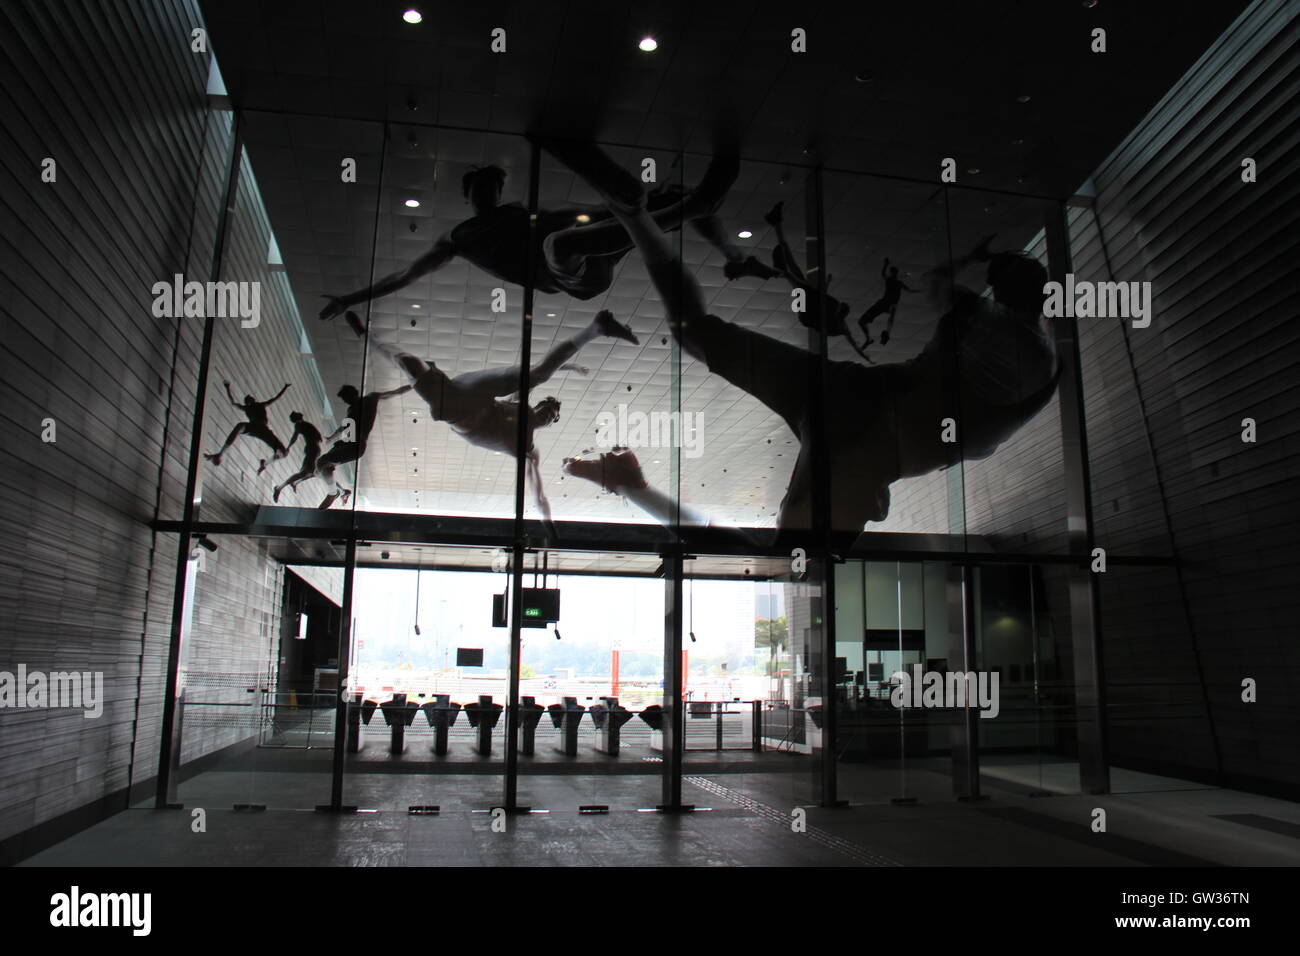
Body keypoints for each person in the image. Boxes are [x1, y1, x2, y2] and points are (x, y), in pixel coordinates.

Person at [547, 142, 1060, 549]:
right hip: (867, 419)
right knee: (694, 333)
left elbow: (935, 284)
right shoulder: (1027, 366)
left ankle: (635, 217)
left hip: (851, 400)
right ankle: (635, 216)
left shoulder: (985, 325)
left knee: (693, 330)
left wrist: (970, 260)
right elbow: (983, 426)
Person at [317, 151, 744, 321]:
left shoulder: (516, 211)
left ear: (500, 192)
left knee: (650, 211)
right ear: (470, 196)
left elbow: (568, 214)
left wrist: (614, 207)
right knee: (558, 244)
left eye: (494, 189)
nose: (491, 194)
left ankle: (722, 240)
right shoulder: (458, 237)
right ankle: (686, 207)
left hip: (592, 252)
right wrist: (350, 300)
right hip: (569, 276)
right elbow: (404, 277)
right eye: (482, 190)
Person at [340, 307, 638, 534]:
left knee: (410, 365)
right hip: (467, 395)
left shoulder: (528, 450)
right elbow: (535, 375)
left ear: (551, 424)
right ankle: (365, 335)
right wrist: (565, 367)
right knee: (408, 361)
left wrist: (549, 527)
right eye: (548, 407)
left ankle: (598, 328)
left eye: (553, 415)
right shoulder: (521, 405)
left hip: (456, 411)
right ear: (539, 405)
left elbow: (538, 494)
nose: (549, 413)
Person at [315, 381, 413, 509]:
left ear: (353, 394)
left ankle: (334, 493)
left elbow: (393, 393)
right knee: (318, 470)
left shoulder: (370, 399)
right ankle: (341, 491)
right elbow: (344, 427)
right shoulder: (351, 408)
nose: (346, 402)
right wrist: (332, 438)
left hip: (355, 445)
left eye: (346, 399)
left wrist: (415, 383)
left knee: (322, 462)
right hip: (347, 443)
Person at [763, 201, 853, 338]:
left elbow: (820, 299)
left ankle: (780, 270)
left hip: (807, 313)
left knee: (796, 279)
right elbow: (821, 296)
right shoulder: (832, 311)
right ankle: (777, 226)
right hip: (808, 310)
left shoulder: (833, 317)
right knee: (794, 272)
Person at [204, 381, 291, 467]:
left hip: (262, 429)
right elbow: (233, 403)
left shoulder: (259, 405)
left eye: (250, 397)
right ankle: (220, 454)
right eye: (248, 399)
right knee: (240, 426)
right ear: (248, 401)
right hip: (253, 427)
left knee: (283, 451)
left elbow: (275, 398)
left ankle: (264, 464)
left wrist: (285, 388)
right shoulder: (248, 408)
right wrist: (227, 388)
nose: (251, 398)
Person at [857, 258, 917, 346]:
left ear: (893, 273)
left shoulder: (891, 281)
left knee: (863, 320)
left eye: (891, 273)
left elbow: (883, 274)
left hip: (884, 303)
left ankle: (871, 338)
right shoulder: (897, 282)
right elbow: (910, 290)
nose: (891, 274)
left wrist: (885, 265)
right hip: (887, 304)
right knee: (890, 314)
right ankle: (879, 336)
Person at [270, 412, 323, 503]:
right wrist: (288, 447)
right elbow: (294, 437)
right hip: (312, 450)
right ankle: (279, 488)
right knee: (305, 473)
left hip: (315, 450)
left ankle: (294, 483)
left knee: (313, 473)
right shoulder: (300, 424)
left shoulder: (304, 424)